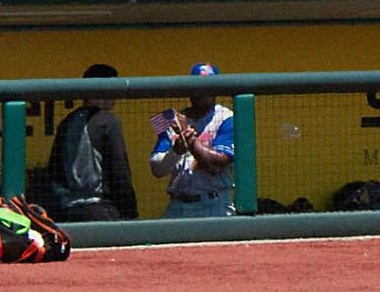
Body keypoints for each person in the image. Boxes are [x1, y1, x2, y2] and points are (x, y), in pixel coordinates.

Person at [30, 61, 137, 224]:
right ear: (104, 90)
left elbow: (54, 172)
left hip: (68, 211)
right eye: (113, 90)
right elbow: (119, 170)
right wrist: (130, 209)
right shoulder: (108, 122)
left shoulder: (65, 122)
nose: (115, 98)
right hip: (102, 210)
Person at [149, 60, 234, 221]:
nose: (201, 91)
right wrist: (175, 152)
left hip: (214, 203)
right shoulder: (170, 119)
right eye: (196, 86)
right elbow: (157, 170)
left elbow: (217, 165)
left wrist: (187, 136)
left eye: (207, 87)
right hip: (177, 204)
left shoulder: (227, 117)